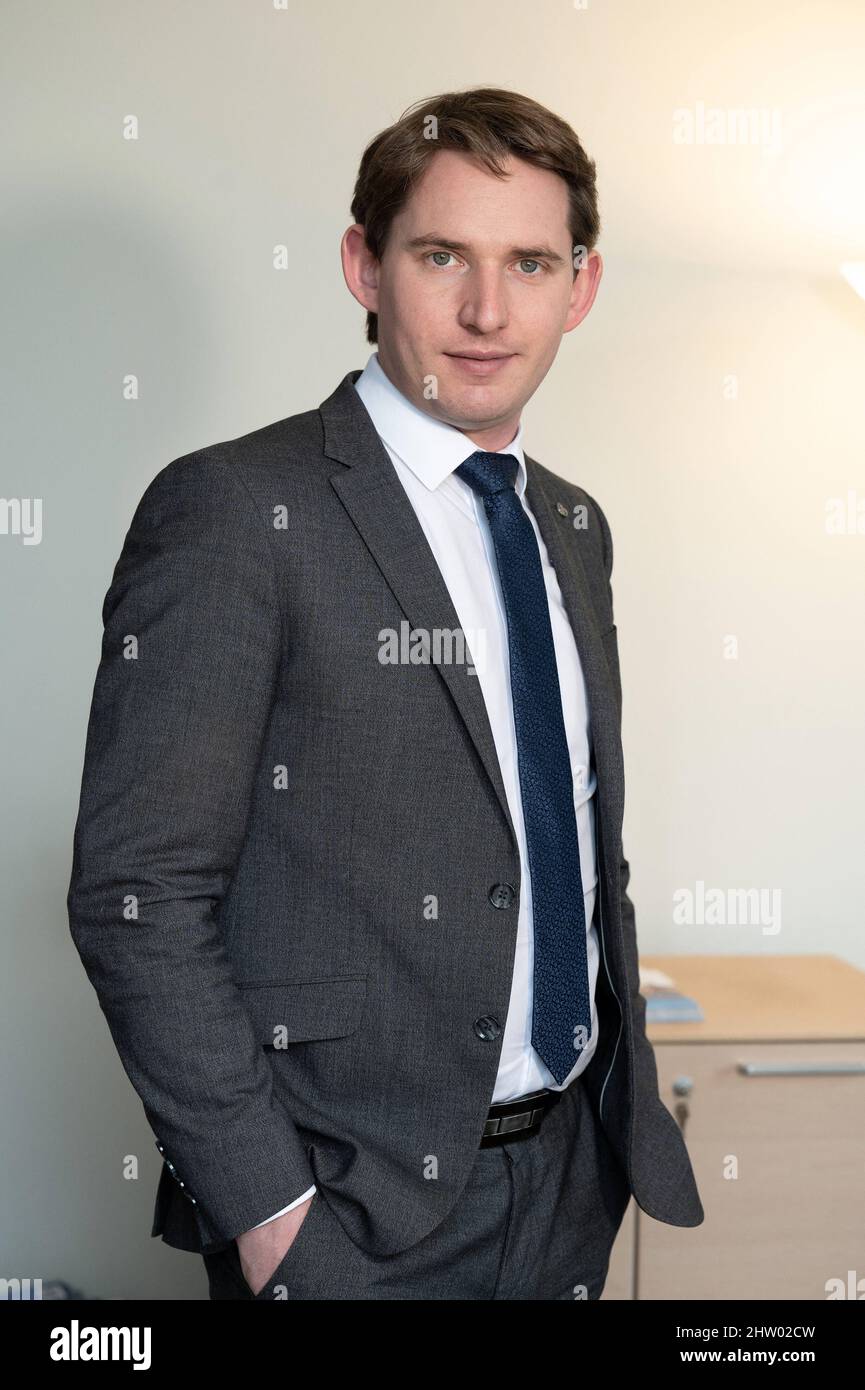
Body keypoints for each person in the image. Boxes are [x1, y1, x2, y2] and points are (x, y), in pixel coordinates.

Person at [67, 85, 703, 1301]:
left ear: (582, 286)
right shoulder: (238, 514)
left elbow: (565, 837)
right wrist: (273, 1221)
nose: (484, 309)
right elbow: (135, 894)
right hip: (353, 1215)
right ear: (364, 264)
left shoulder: (572, 525)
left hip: (569, 1180)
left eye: (528, 262)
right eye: (440, 255)